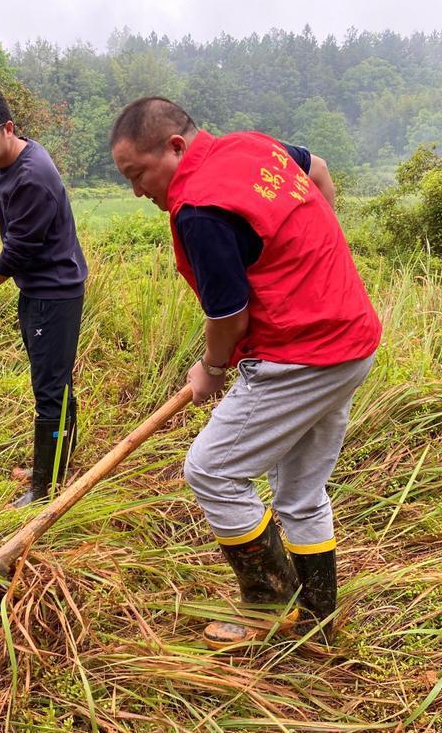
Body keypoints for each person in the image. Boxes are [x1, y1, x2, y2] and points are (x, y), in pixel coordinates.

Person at [110, 97, 381, 648]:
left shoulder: (200, 211)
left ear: (175, 148)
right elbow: (319, 170)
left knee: (212, 471)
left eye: (138, 174)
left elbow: (229, 318)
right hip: (351, 339)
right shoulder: (251, 146)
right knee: (301, 492)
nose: (137, 191)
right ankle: (318, 623)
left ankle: (269, 604)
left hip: (300, 354)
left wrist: (211, 368)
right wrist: (316, 260)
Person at [0, 85, 87, 507]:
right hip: (38, 290)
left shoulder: (33, 177)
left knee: (50, 388)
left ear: (7, 128)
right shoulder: (11, 158)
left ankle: (45, 486)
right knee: (54, 381)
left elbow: (17, 254)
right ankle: (56, 464)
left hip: (53, 294)